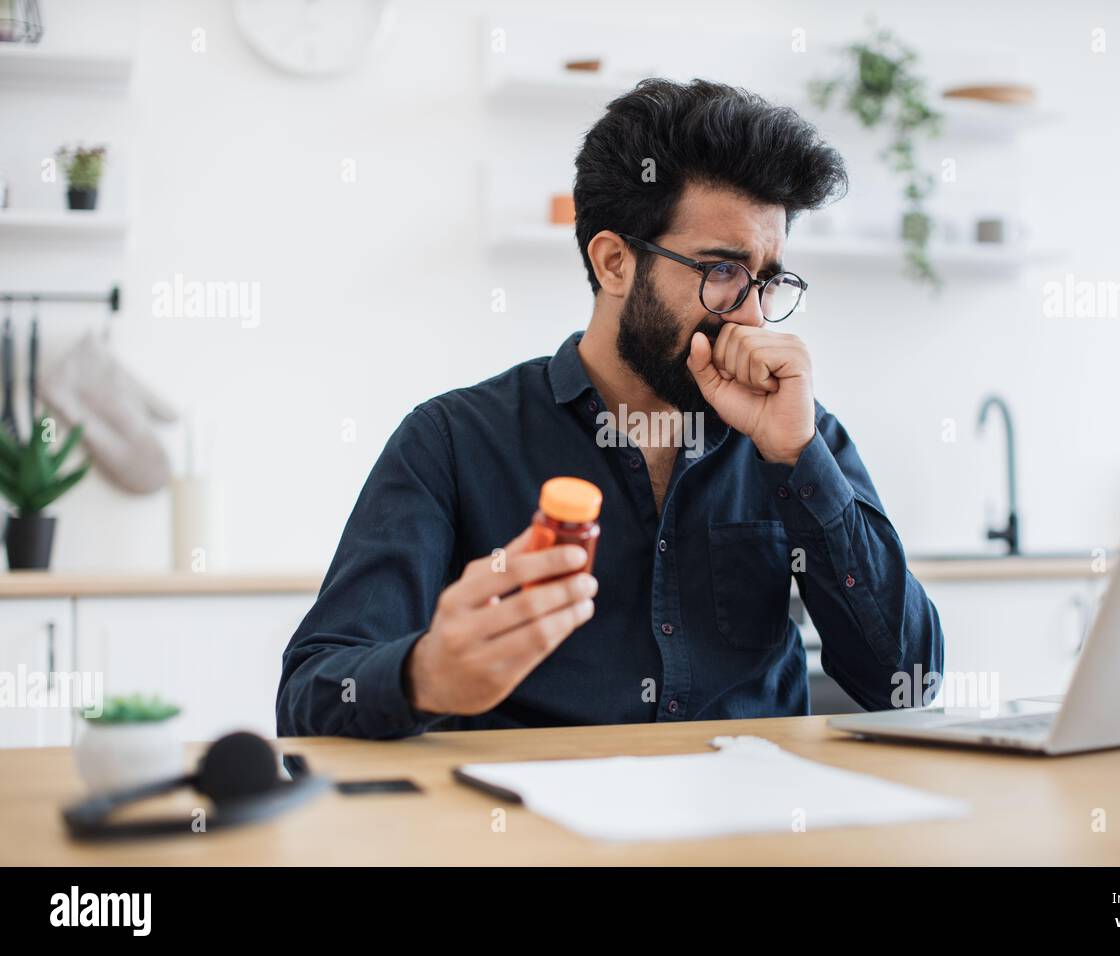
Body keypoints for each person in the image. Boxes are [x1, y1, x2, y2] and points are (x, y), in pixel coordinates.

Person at [276, 78, 943, 737]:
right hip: (535, 833)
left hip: (749, 825)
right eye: (720, 272)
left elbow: (904, 682)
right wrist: (425, 674)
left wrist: (799, 460)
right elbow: (312, 690)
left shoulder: (798, 434)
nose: (752, 315)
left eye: (766, 281)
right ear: (615, 263)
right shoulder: (451, 442)